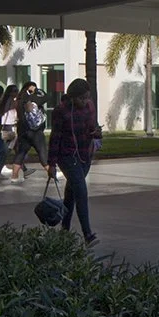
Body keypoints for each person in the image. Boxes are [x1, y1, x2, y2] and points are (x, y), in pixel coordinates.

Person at [47, 78, 102, 245]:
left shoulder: (89, 107)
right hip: (67, 156)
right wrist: (52, 163)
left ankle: (65, 229)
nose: (85, 101)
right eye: (81, 98)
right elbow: (55, 137)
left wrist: (97, 133)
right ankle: (88, 235)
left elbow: (92, 128)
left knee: (71, 194)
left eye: (87, 97)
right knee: (81, 191)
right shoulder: (60, 111)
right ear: (72, 97)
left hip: (85, 155)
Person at [14, 97, 47, 177]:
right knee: (42, 153)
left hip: (26, 133)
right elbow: (38, 122)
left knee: (21, 154)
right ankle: (51, 172)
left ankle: (14, 176)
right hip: (36, 134)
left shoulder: (23, 111)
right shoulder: (34, 109)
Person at [0, 84, 20, 179]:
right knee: (7, 150)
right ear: (11, 92)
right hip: (10, 127)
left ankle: (24, 170)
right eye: (15, 91)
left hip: (6, 127)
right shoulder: (11, 102)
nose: (17, 92)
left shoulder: (4, 101)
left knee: (16, 149)